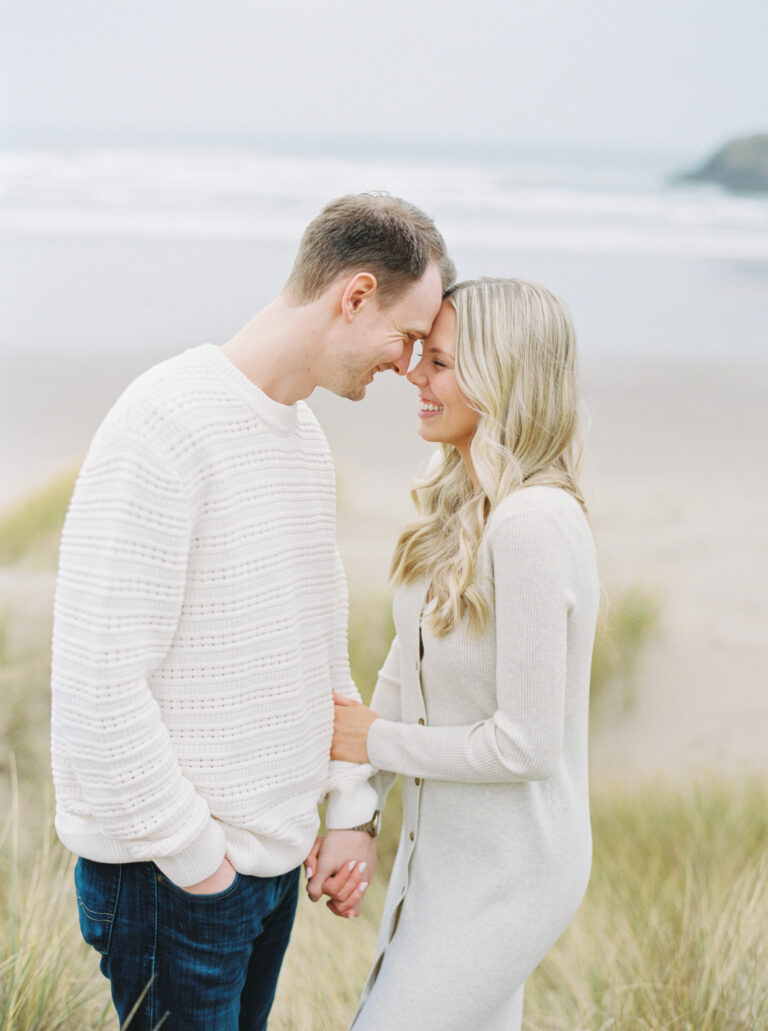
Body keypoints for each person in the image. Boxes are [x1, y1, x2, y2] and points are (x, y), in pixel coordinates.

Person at [50, 193, 455, 1031]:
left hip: (265, 873)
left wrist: (349, 809)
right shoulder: (164, 423)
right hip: (174, 880)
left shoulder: (301, 439)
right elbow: (98, 685)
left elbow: (320, 654)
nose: (411, 364)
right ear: (353, 294)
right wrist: (201, 861)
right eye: (406, 334)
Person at [331, 278, 600, 1031]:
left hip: (512, 871)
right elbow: (403, 668)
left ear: (500, 378)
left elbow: (528, 745)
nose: (414, 374)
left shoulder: (533, 526)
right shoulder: (459, 504)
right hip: (442, 857)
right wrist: (357, 806)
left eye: (440, 362)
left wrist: (373, 741)